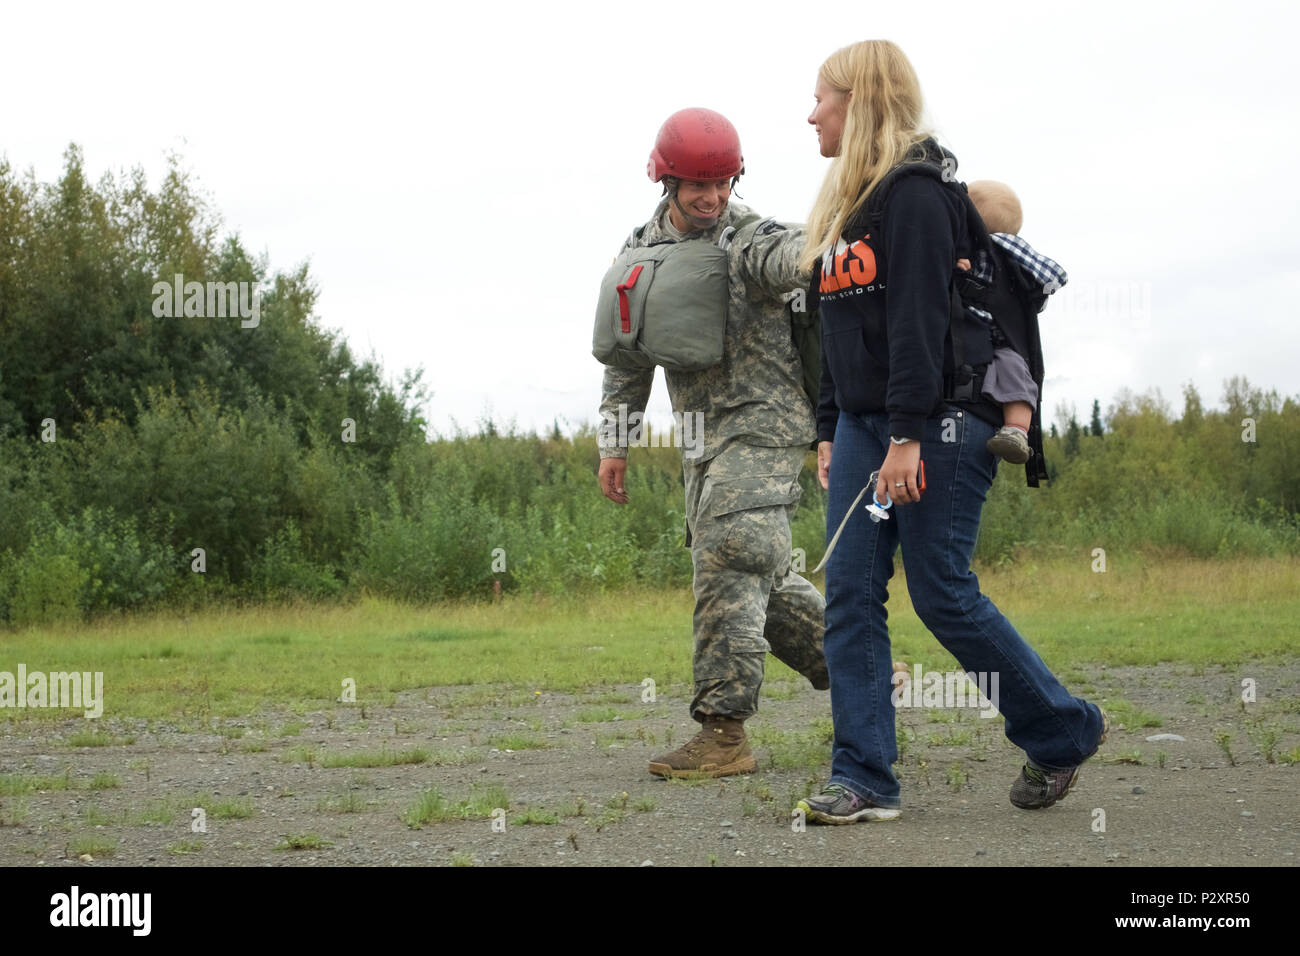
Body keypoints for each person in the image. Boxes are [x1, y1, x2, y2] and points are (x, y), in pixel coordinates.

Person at [794, 41, 1108, 823]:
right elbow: (838, 331)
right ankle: (864, 776)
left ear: (859, 99)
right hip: (871, 426)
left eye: (821, 99)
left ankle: (1062, 729)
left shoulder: (918, 194)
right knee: (851, 595)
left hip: (937, 421)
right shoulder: (847, 207)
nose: (810, 115)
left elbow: (918, 321)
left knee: (941, 591)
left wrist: (904, 434)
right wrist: (831, 429)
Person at [595, 108, 827, 779]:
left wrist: (831, 247)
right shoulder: (642, 249)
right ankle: (860, 668)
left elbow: (791, 254)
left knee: (730, 557)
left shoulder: (749, 238)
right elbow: (627, 353)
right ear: (664, 180)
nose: (712, 196)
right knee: (760, 568)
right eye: (697, 184)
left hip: (763, 426)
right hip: (703, 439)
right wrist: (616, 443)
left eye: (723, 182)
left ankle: (724, 735)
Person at [957, 180, 1068, 465]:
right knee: (1014, 373)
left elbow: (1051, 275)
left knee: (1017, 376)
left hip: (991, 334)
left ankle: (1018, 432)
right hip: (992, 337)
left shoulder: (994, 247)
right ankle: (1015, 428)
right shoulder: (986, 249)